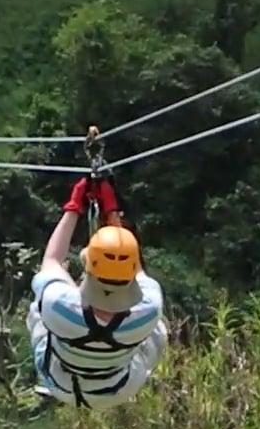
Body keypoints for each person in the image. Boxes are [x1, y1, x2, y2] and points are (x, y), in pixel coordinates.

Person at [26, 170, 168, 410]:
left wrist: (73, 207)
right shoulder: (149, 308)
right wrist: (112, 211)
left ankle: (47, 375)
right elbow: (133, 265)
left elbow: (51, 261)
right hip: (117, 389)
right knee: (159, 329)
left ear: (88, 267)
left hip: (60, 383)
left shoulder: (58, 306)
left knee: (37, 308)